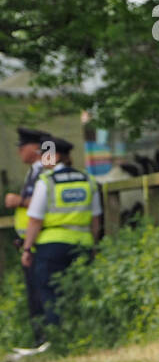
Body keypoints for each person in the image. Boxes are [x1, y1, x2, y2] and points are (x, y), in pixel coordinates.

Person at [21, 135, 102, 345]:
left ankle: (57, 340)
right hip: (82, 244)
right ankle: (87, 335)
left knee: (49, 292)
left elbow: (35, 220)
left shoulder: (46, 182)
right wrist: (93, 245)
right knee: (80, 290)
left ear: (55, 156)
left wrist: (27, 249)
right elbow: (95, 220)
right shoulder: (88, 180)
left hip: (52, 246)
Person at [6, 127, 52, 350]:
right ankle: (39, 339)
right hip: (29, 241)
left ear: (35, 149)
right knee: (33, 292)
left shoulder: (44, 169)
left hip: (39, 241)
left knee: (40, 292)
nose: (19, 152)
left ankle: (45, 339)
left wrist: (19, 201)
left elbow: (44, 201)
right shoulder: (34, 171)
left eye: (22, 147)